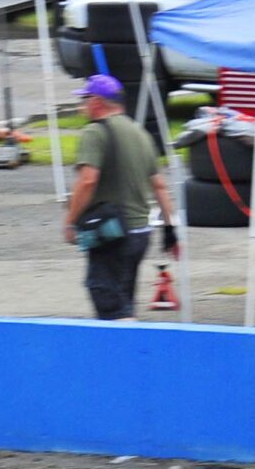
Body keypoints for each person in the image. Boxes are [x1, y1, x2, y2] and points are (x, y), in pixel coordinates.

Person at [61, 73, 177, 321]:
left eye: (84, 100)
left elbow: (88, 180)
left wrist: (71, 220)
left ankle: (126, 355)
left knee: (109, 303)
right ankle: (129, 345)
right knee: (123, 299)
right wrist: (170, 229)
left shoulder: (95, 132)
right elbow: (159, 185)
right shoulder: (140, 134)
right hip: (140, 233)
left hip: (113, 234)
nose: (82, 107)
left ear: (96, 102)